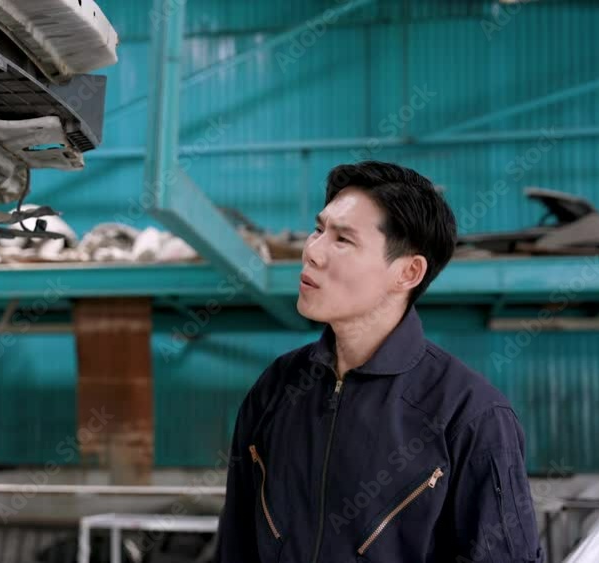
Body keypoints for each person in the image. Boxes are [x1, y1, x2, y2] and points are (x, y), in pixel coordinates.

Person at [215, 161, 544, 562]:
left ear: (408, 272)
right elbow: (235, 546)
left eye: (343, 240)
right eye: (319, 229)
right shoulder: (277, 389)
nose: (312, 252)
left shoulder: (471, 416)